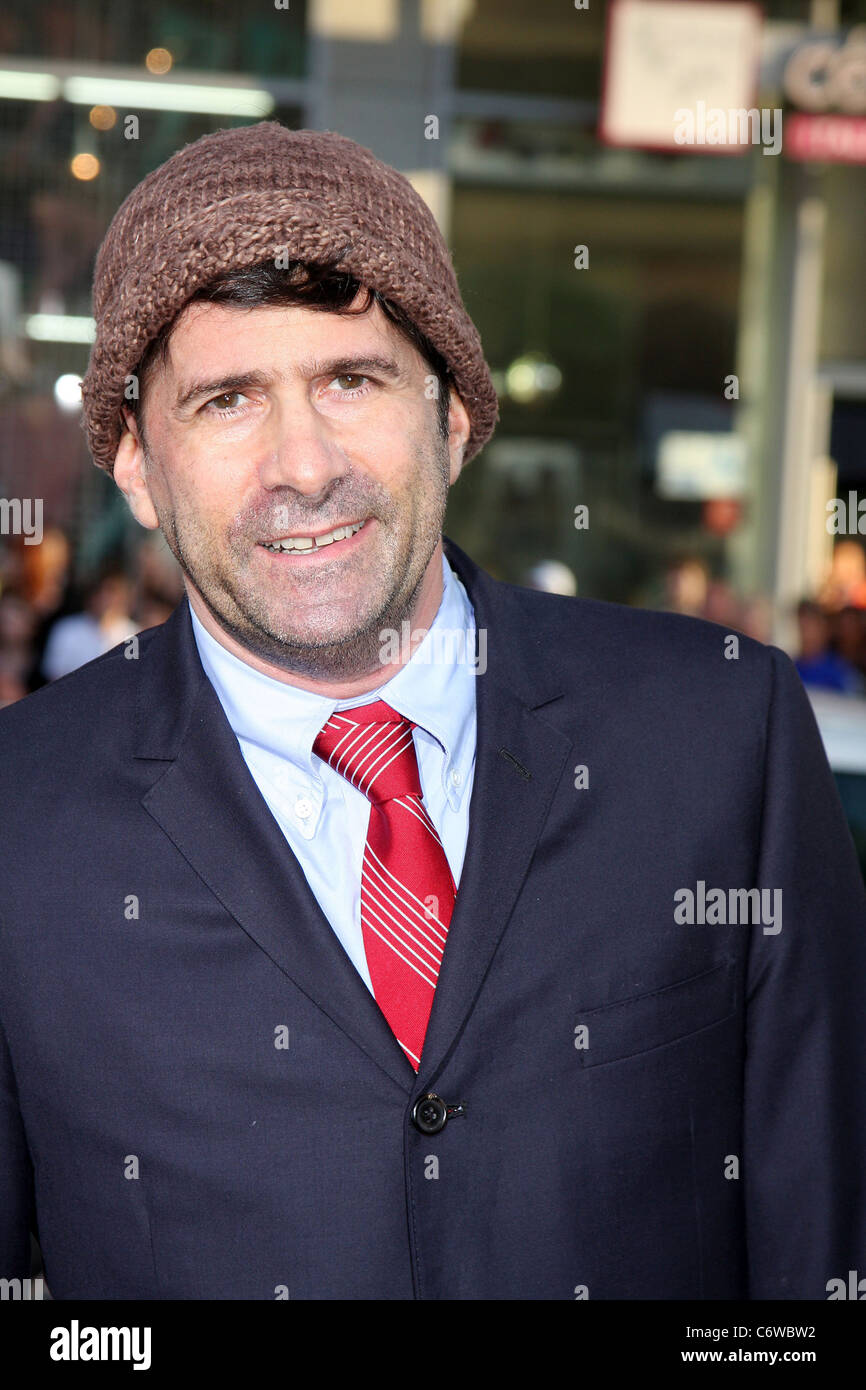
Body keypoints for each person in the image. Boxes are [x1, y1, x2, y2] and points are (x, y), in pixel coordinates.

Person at [0, 122, 864, 1301]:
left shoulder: (721, 732)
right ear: (138, 465)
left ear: (452, 414)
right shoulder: (19, 819)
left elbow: (822, 1236)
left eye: (348, 380)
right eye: (225, 402)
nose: (301, 465)